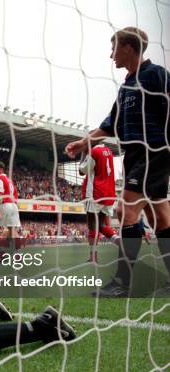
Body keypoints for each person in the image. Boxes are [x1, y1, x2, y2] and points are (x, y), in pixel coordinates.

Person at [65, 27, 170, 297]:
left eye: (113, 48)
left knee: (125, 212)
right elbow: (110, 126)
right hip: (134, 156)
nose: (111, 55)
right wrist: (82, 143)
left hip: (154, 151)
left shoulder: (156, 75)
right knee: (161, 218)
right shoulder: (125, 87)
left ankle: (123, 283)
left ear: (128, 48)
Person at [78, 145, 119, 263]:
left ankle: (94, 257)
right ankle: (117, 240)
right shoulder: (108, 151)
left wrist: (84, 151)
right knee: (101, 225)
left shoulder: (94, 151)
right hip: (109, 193)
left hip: (96, 194)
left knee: (92, 227)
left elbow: (81, 171)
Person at [0, 161, 21, 252]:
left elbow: (0, 195)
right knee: (12, 231)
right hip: (13, 206)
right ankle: (17, 253)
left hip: (4, 205)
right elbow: (15, 195)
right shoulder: (9, 180)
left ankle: (1, 250)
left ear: (1, 170)